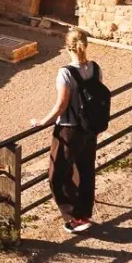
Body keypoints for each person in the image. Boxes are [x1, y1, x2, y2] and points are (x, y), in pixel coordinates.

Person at [29, 28, 101, 234]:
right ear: (85, 45)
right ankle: (84, 213)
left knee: (57, 174)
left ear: (66, 47)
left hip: (69, 130)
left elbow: (62, 104)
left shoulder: (66, 72)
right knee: (85, 170)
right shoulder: (95, 68)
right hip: (90, 128)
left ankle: (74, 218)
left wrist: (43, 121)